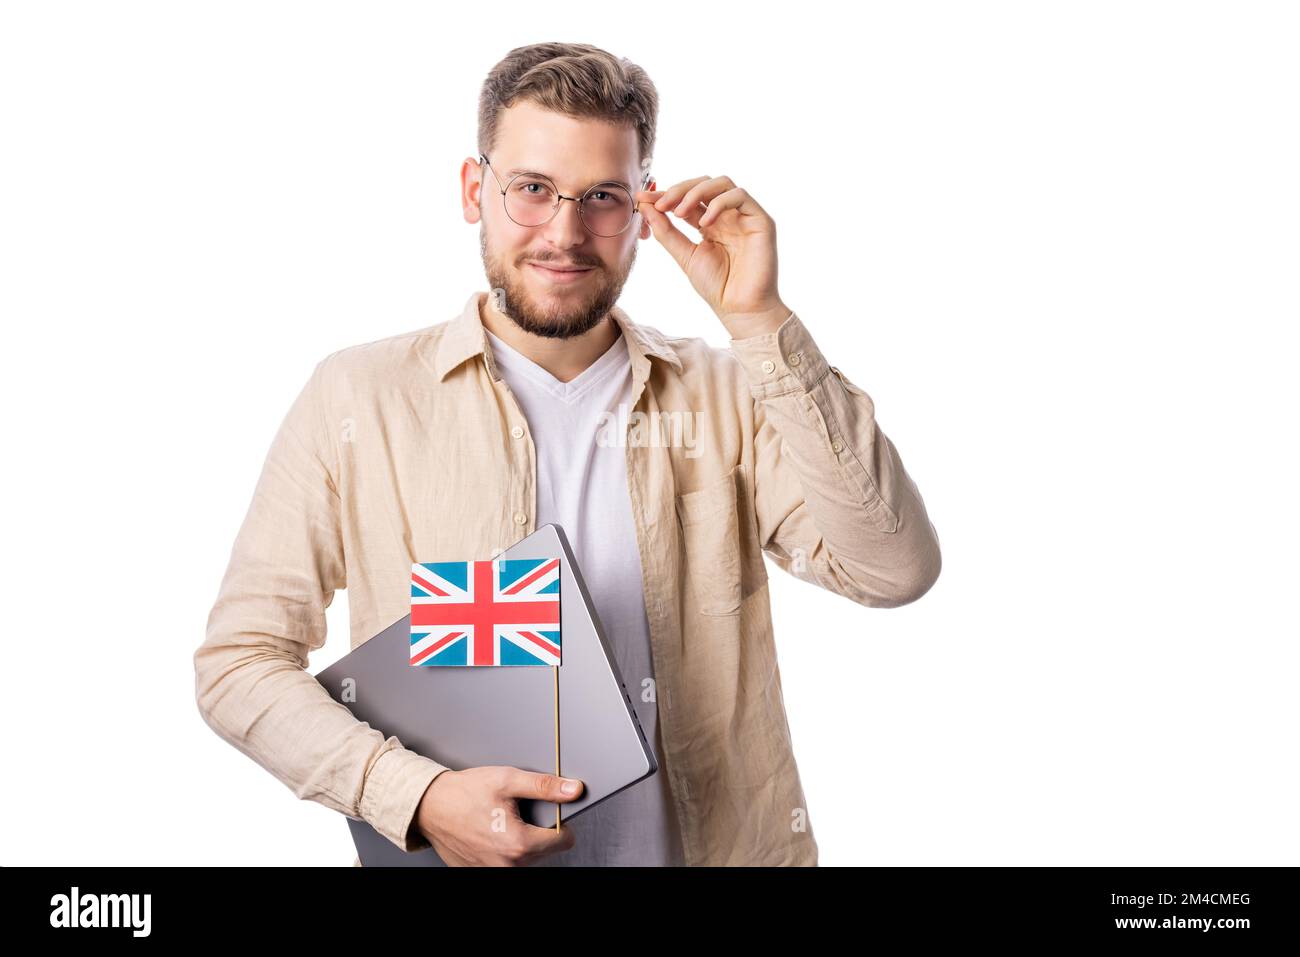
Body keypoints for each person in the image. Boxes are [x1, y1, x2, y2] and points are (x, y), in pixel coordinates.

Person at [195, 41, 941, 867]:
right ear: (476, 190)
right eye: (533, 189)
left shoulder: (727, 395)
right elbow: (240, 663)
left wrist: (759, 321)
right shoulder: (357, 397)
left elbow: (893, 569)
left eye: (602, 197)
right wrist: (413, 793)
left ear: (644, 210)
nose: (565, 231)